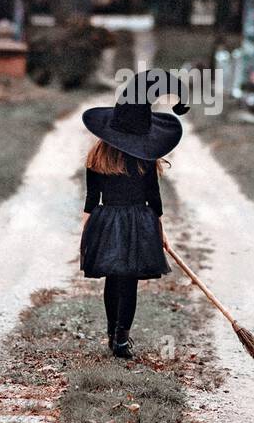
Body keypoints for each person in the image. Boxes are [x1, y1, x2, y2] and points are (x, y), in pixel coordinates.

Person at [80, 70, 188, 358]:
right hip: (139, 223)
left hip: (107, 223)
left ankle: (112, 334)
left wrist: (87, 234)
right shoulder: (144, 161)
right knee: (127, 282)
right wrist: (160, 232)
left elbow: (92, 200)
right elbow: (154, 199)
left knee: (113, 280)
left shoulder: (96, 158)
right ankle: (121, 338)